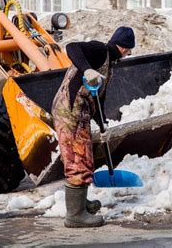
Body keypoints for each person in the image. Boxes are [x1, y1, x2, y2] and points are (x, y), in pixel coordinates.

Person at [52, 26, 135, 228]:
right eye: (128, 49)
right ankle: (75, 216)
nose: (128, 54)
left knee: (85, 156)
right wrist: (87, 69)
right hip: (69, 112)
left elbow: (99, 100)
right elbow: (71, 47)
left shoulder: (109, 64)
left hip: (80, 114)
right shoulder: (99, 50)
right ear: (122, 47)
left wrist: (103, 124)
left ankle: (80, 204)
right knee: (77, 158)